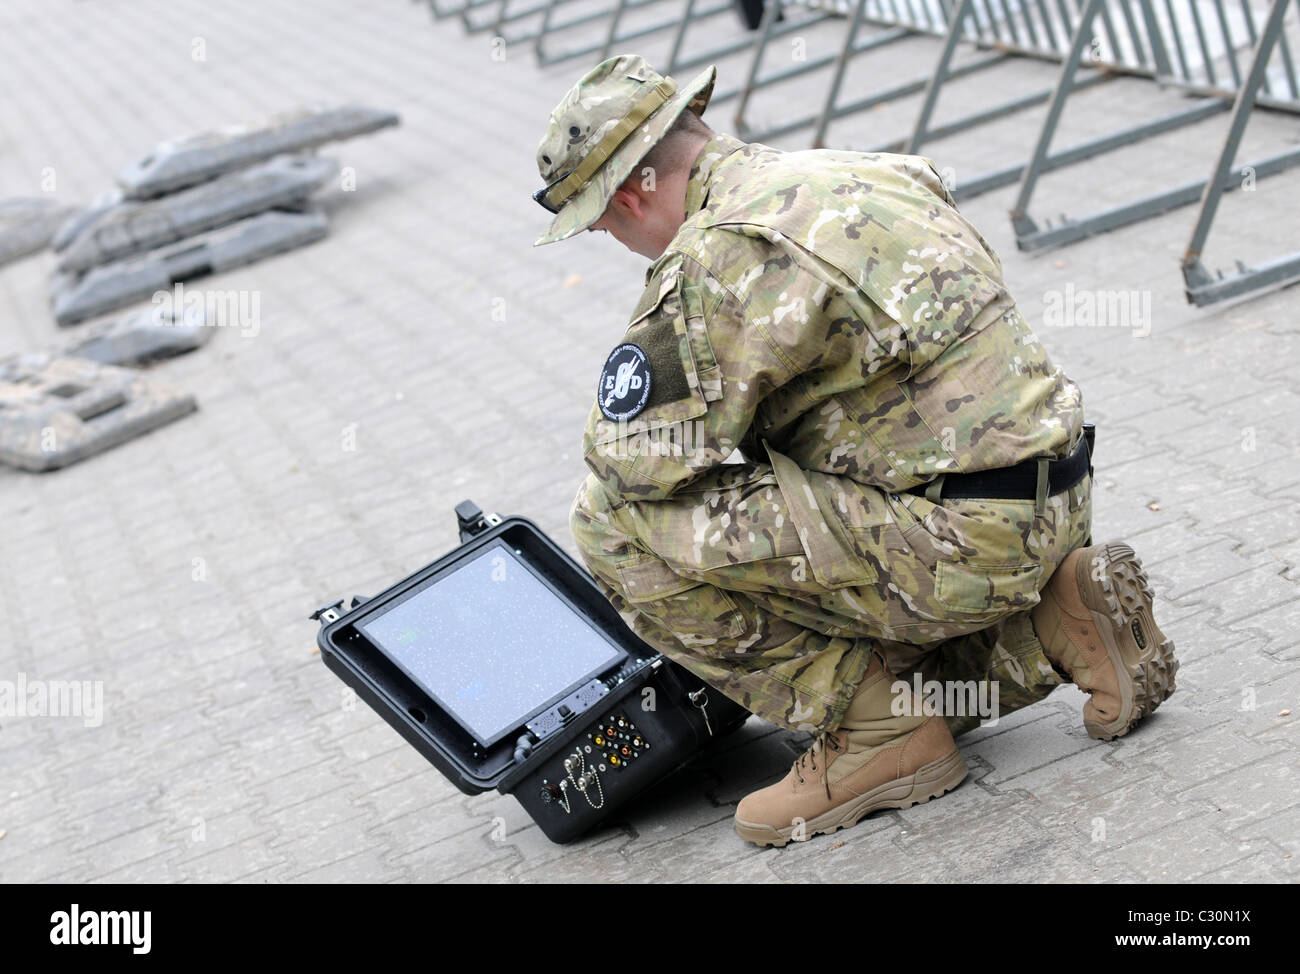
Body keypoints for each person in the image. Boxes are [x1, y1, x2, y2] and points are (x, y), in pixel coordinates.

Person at [532, 54, 1178, 847]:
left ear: (633, 193)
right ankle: (1057, 618)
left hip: (959, 541)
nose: (618, 242)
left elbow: (634, 463)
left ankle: (877, 733)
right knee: (804, 503)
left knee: (613, 520)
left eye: (605, 225)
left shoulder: (721, 255)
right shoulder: (860, 169)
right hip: (1053, 497)